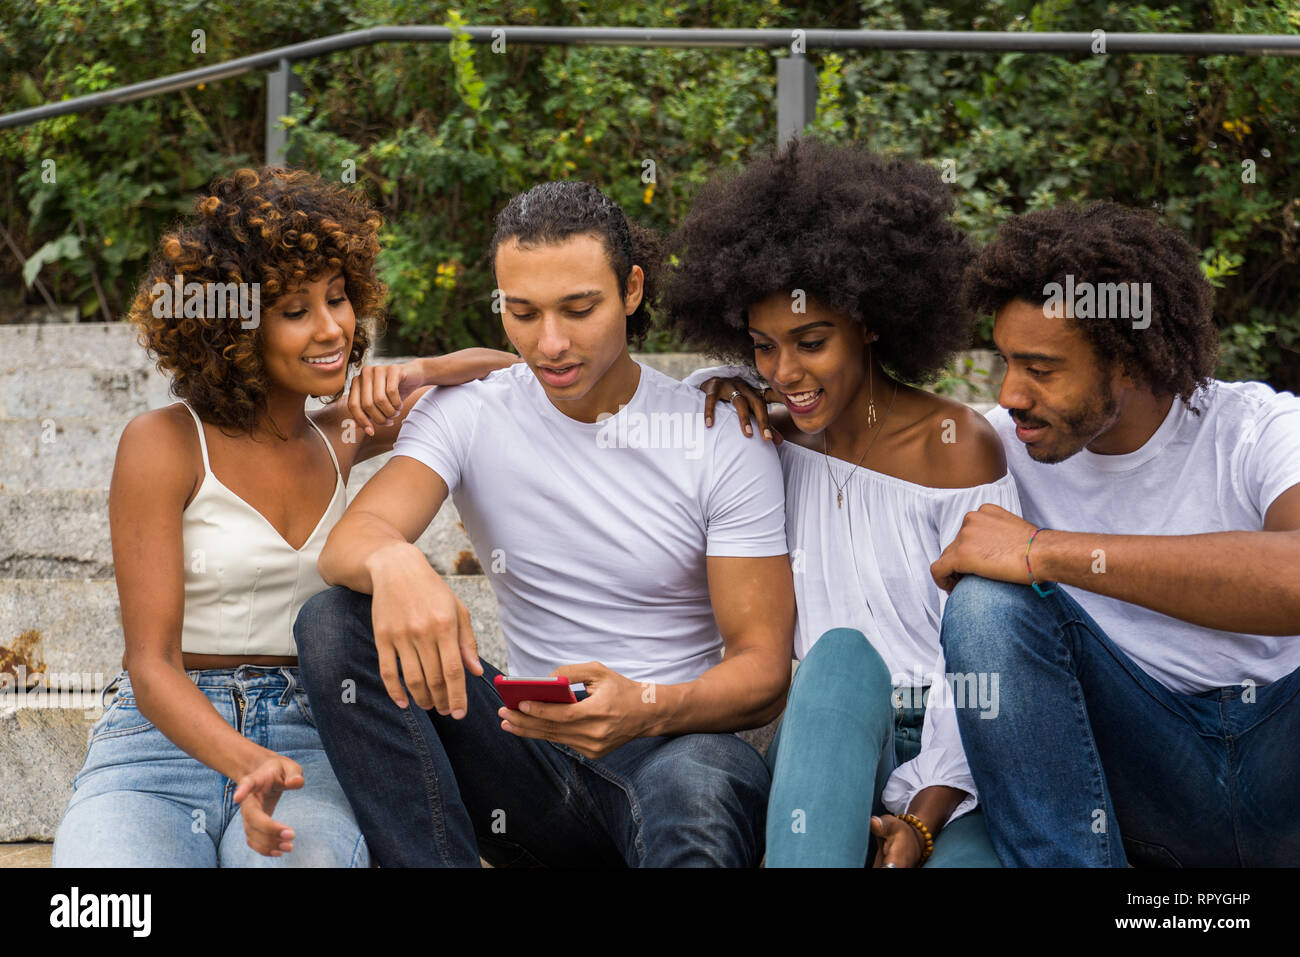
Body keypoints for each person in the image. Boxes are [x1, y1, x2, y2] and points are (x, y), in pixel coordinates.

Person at [292, 179, 796, 868]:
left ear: (633, 289)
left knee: (700, 787)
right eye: (523, 313)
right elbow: (353, 542)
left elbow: (764, 670)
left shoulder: (718, 432)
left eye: (579, 309)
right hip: (527, 757)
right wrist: (396, 561)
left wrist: (645, 706)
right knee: (333, 622)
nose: (550, 343)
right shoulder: (470, 413)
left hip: (680, 747)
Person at [52, 166, 517, 867]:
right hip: (160, 745)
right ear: (233, 326)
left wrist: (418, 368)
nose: (331, 326)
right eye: (296, 310)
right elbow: (150, 665)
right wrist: (245, 762)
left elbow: (510, 377)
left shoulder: (344, 433)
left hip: (308, 734)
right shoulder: (164, 441)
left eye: (338, 298)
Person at [664, 138, 1015, 867]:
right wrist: (719, 381)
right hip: (827, 747)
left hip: (960, 763)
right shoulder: (765, 445)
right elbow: (651, 405)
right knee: (842, 657)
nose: (785, 371)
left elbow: (988, 659)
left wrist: (920, 823)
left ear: (873, 320)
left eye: (811, 341)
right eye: (763, 347)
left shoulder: (956, 446)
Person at [932, 201, 1300, 866]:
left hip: (1283, 752)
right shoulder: (995, 447)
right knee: (984, 607)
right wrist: (754, 421)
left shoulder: (1256, 427)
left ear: (1128, 361)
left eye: (1040, 369)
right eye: (1005, 362)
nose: (1012, 392)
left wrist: (1044, 551)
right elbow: (867, 446)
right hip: (1141, 770)